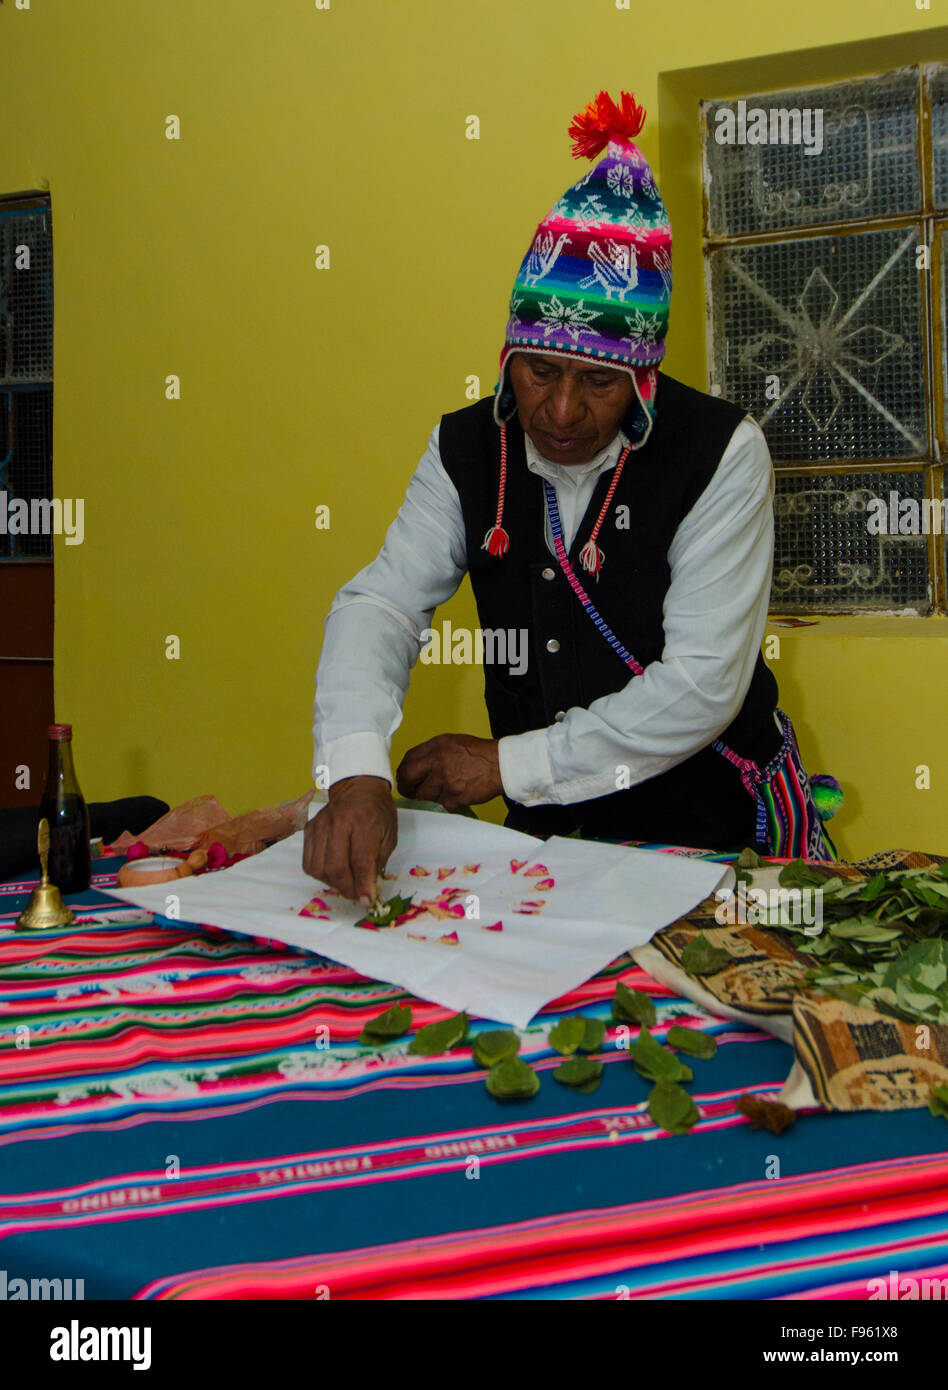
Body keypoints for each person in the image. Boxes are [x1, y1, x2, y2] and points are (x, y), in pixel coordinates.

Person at [303, 90, 836, 902]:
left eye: (598, 382)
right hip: (549, 852)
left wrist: (505, 763)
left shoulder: (721, 453)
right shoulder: (465, 449)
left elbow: (701, 683)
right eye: (540, 370)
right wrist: (354, 769)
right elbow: (382, 602)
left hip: (707, 841)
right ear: (510, 350)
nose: (559, 411)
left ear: (643, 379)